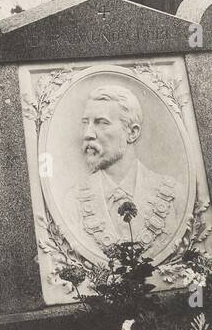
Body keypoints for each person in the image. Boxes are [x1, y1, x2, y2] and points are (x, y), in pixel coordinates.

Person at [60, 85, 183, 256]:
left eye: (101, 123)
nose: (87, 134)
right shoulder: (72, 203)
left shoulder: (174, 196)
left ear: (132, 133)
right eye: (85, 123)